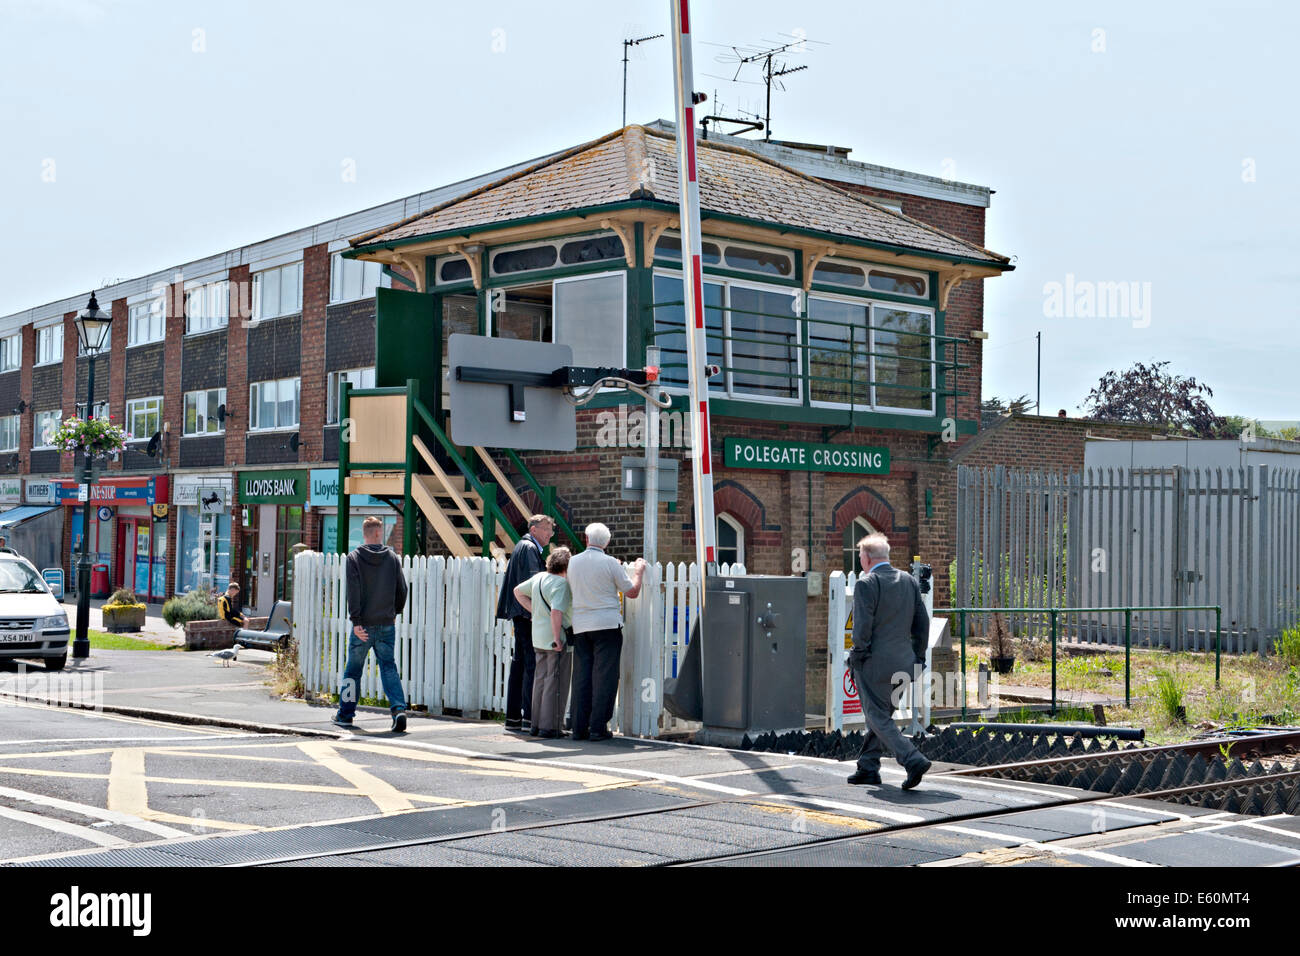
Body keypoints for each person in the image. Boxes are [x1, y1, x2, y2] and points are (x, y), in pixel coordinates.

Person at [847, 533, 932, 790]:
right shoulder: (907, 581)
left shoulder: (867, 583)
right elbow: (922, 623)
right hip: (904, 663)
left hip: (874, 664)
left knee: (875, 715)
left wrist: (857, 655)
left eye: (860, 555)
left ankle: (911, 758)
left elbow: (861, 628)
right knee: (882, 715)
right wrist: (918, 656)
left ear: (867, 558)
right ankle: (868, 766)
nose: (860, 559)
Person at [566, 522, 645, 742]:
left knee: (581, 676)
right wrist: (638, 572)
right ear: (607, 542)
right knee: (605, 677)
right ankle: (598, 727)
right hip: (607, 625)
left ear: (586, 538)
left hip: (581, 626)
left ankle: (579, 728)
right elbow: (632, 592)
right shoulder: (610, 563)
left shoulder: (572, 562)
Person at [333, 516, 409, 733]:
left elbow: (353, 591)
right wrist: (395, 612)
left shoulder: (354, 558)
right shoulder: (392, 558)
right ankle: (398, 710)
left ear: (364, 534)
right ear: (377, 533)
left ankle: (345, 715)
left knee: (353, 670)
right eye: (381, 531)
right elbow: (402, 589)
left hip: (362, 627)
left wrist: (356, 621)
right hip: (386, 623)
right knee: (388, 666)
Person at [495, 514, 554, 733]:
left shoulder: (523, 546)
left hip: (519, 614)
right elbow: (535, 584)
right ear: (534, 528)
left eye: (551, 530)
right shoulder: (530, 549)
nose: (550, 534)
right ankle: (530, 716)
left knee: (518, 665)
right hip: (527, 615)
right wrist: (538, 612)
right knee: (531, 665)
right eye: (547, 529)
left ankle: (513, 717)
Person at [513, 547, 573, 739]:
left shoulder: (539, 577)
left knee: (540, 680)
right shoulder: (561, 584)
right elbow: (556, 612)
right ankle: (551, 726)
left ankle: (536, 724)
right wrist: (557, 638)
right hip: (554, 638)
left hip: (537, 636)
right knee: (555, 683)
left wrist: (535, 611)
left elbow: (517, 592)